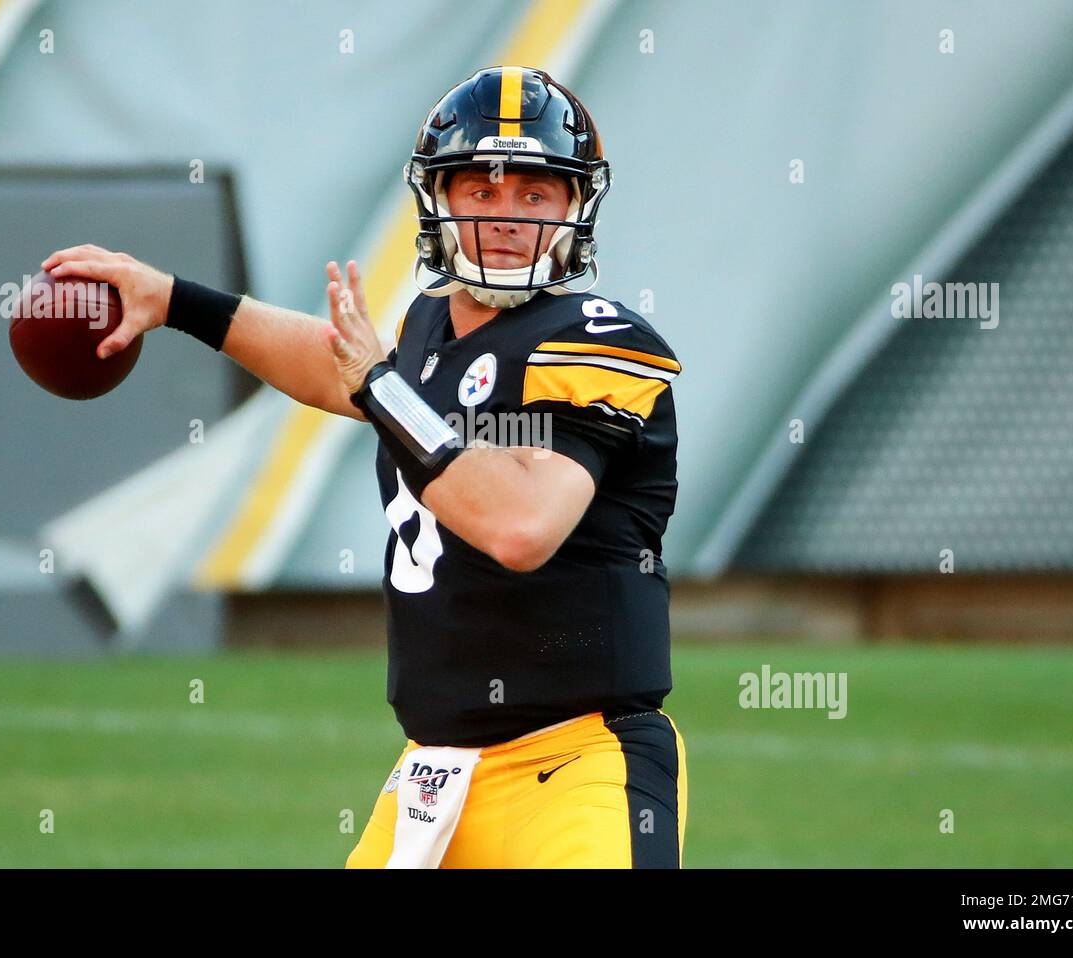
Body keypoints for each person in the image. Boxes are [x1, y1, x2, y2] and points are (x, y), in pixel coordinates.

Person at [41, 65, 686, 868]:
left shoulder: (597, 342)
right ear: (438, 203)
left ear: (574, 207)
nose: (507, 216)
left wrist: (381, 384)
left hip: (573, 769)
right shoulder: (426, 330)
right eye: (481, 192)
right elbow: (335, 367)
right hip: (434, 776)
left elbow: (519, 526)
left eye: (534, 192)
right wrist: (175, 301)